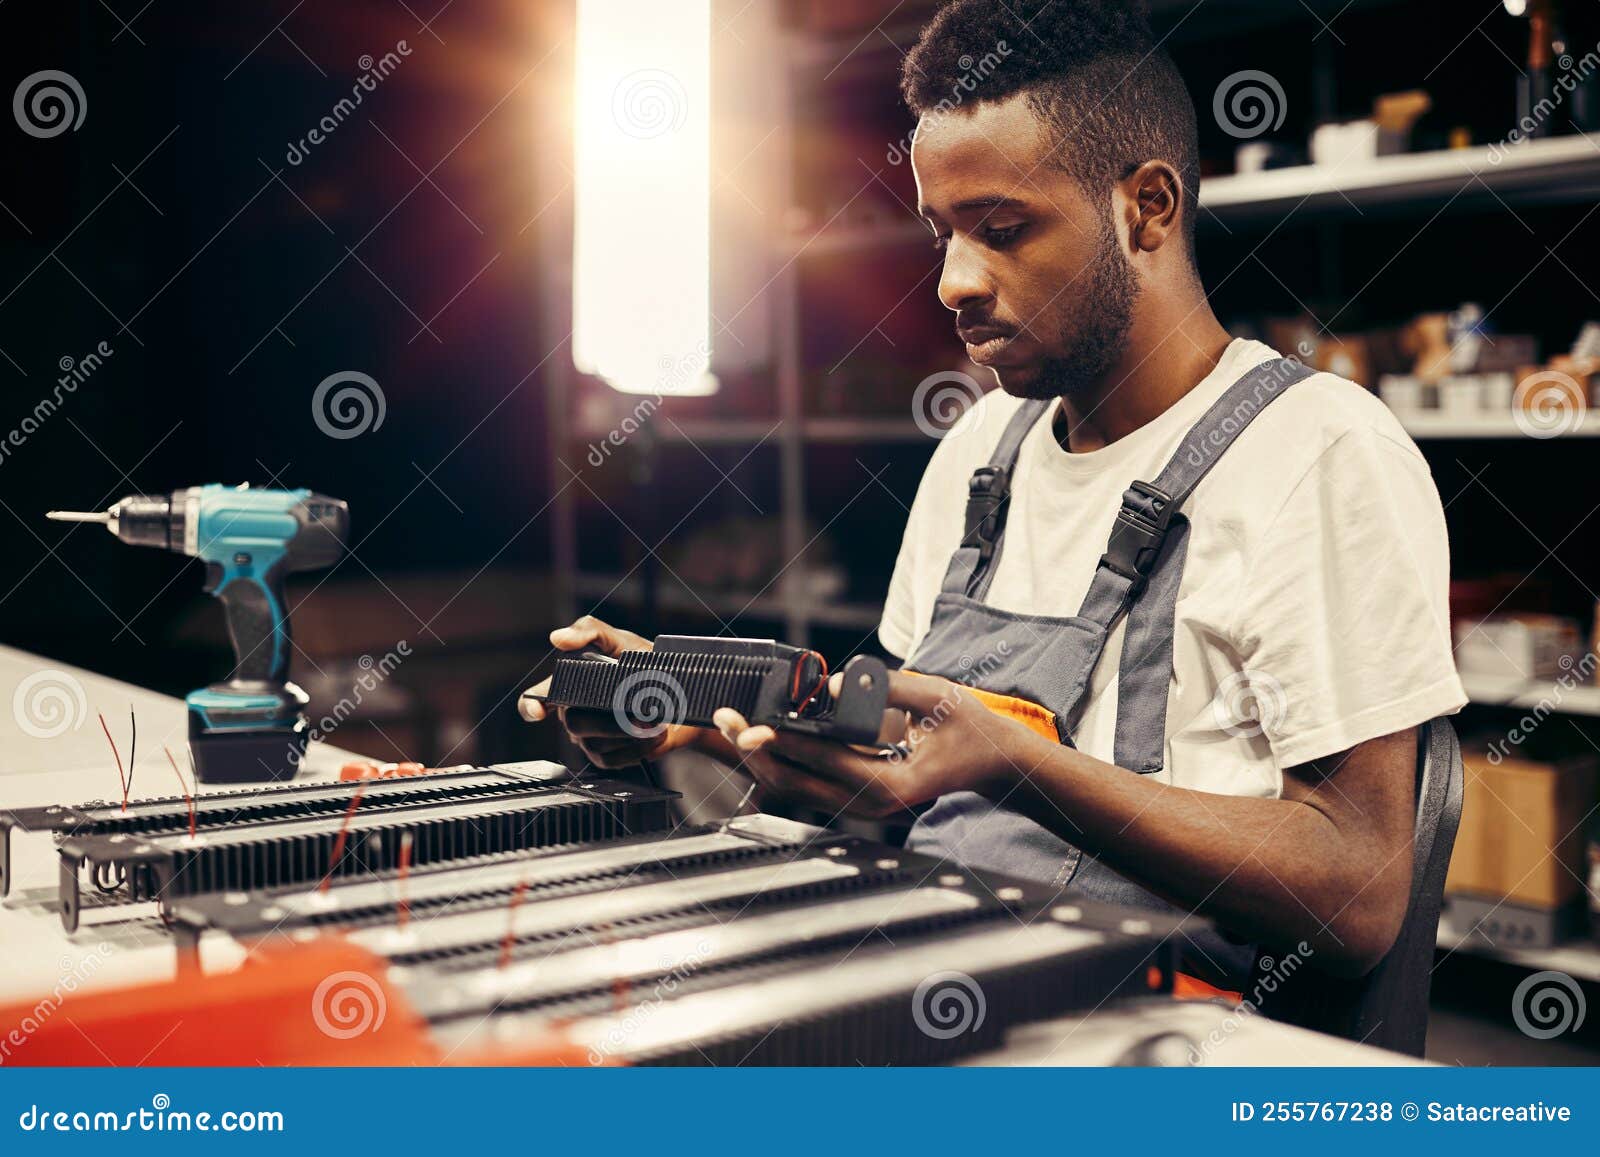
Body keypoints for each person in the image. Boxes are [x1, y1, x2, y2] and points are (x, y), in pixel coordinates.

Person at [522, 0, 1464, 987]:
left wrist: (1015, 760)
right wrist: (698, 709)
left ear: (1146, 207)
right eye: (943, 234)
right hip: (941, 967)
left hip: (1167, 1021)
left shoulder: (1318, 452)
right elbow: (906, 746)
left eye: (1002, 229)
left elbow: (1359, 892)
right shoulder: (984, 448)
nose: (953, 282)